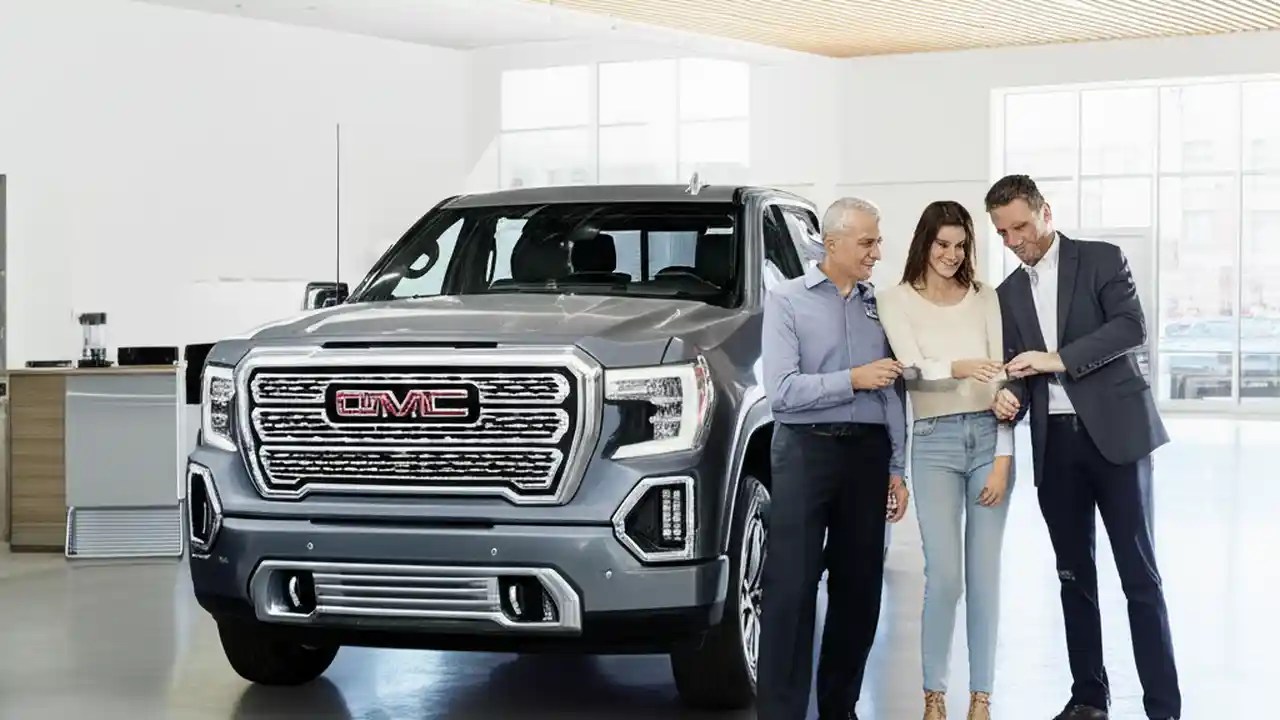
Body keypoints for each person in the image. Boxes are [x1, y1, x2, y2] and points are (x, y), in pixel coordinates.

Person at [984, 174, 1180, 720]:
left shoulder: (1101, 259)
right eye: (1002, 232)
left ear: (1046, 212)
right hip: (1057, 448)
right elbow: (1018, 378)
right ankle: (1088, 696)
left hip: (1117, 440)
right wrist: (1008, 397)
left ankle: (1164, 707)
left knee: (1139, 577)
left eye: (1021, 225)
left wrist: (1057, 359)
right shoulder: (1006, 294)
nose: (1014, 240)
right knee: (1073, 576)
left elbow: (1129, 327)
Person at [757, 196, 910, 720]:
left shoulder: (880, 306)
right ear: (833, 241)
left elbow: (894, 393)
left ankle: (840, 709)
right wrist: (852, 379)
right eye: (867, 242)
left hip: (867, 456)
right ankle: (781, 712)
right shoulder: (787, 301)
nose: (876, 252)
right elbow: (780, 392)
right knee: (791, 589)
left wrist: (897, 468)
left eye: (878, 241)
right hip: (805, 450)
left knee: (860, 588)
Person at [876, 200, 1014, 720]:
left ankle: (981, 699)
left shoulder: (985, 298)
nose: (952, 255)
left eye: (961, 246)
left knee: (985, 577)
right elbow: (910, 369)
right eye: (943, 245)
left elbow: (998, 376)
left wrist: (1003, 454)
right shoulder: (895, 300)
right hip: (932, 442)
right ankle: (934, 696)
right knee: (947, 577)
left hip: (987, 438)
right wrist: (959, 365)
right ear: (924, 243)